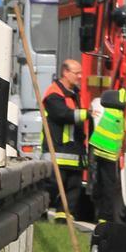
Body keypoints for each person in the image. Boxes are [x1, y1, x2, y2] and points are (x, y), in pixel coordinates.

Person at [42, 59, 88, 220]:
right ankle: (41, 215)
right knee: (53, 187)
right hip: (57, 151)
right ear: (65, 73)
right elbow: (63, 115)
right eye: (77, 73)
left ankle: (64, 219)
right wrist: (86, 114)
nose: (80, 76)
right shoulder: (53, 94)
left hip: (74, 154)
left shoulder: (75, 94)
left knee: (73, 189)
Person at [88, 85, 126, 225]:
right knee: (108, 185)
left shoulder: (110, 108)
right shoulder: (118, 111)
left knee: (102, 184)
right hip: (107, 153)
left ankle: (103, 216)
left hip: (101, 150)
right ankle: (106, 217)